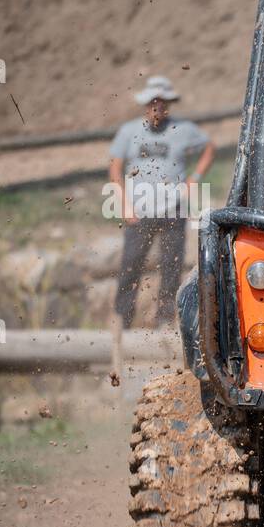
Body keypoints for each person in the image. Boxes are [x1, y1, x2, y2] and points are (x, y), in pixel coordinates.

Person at [108, 77, 214, 370]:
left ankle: (166, 321)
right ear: (146, 105)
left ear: (167, 105)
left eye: (161, 103)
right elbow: (115, 169)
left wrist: (194, 179)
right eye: (153, 103)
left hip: (173, 211)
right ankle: (121, 322)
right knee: (131, 265)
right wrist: (124, 204)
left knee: (172, 265)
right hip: (138, 211)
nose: (157, 108)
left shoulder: (183, 130)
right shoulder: (128, 132)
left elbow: (209, 146)